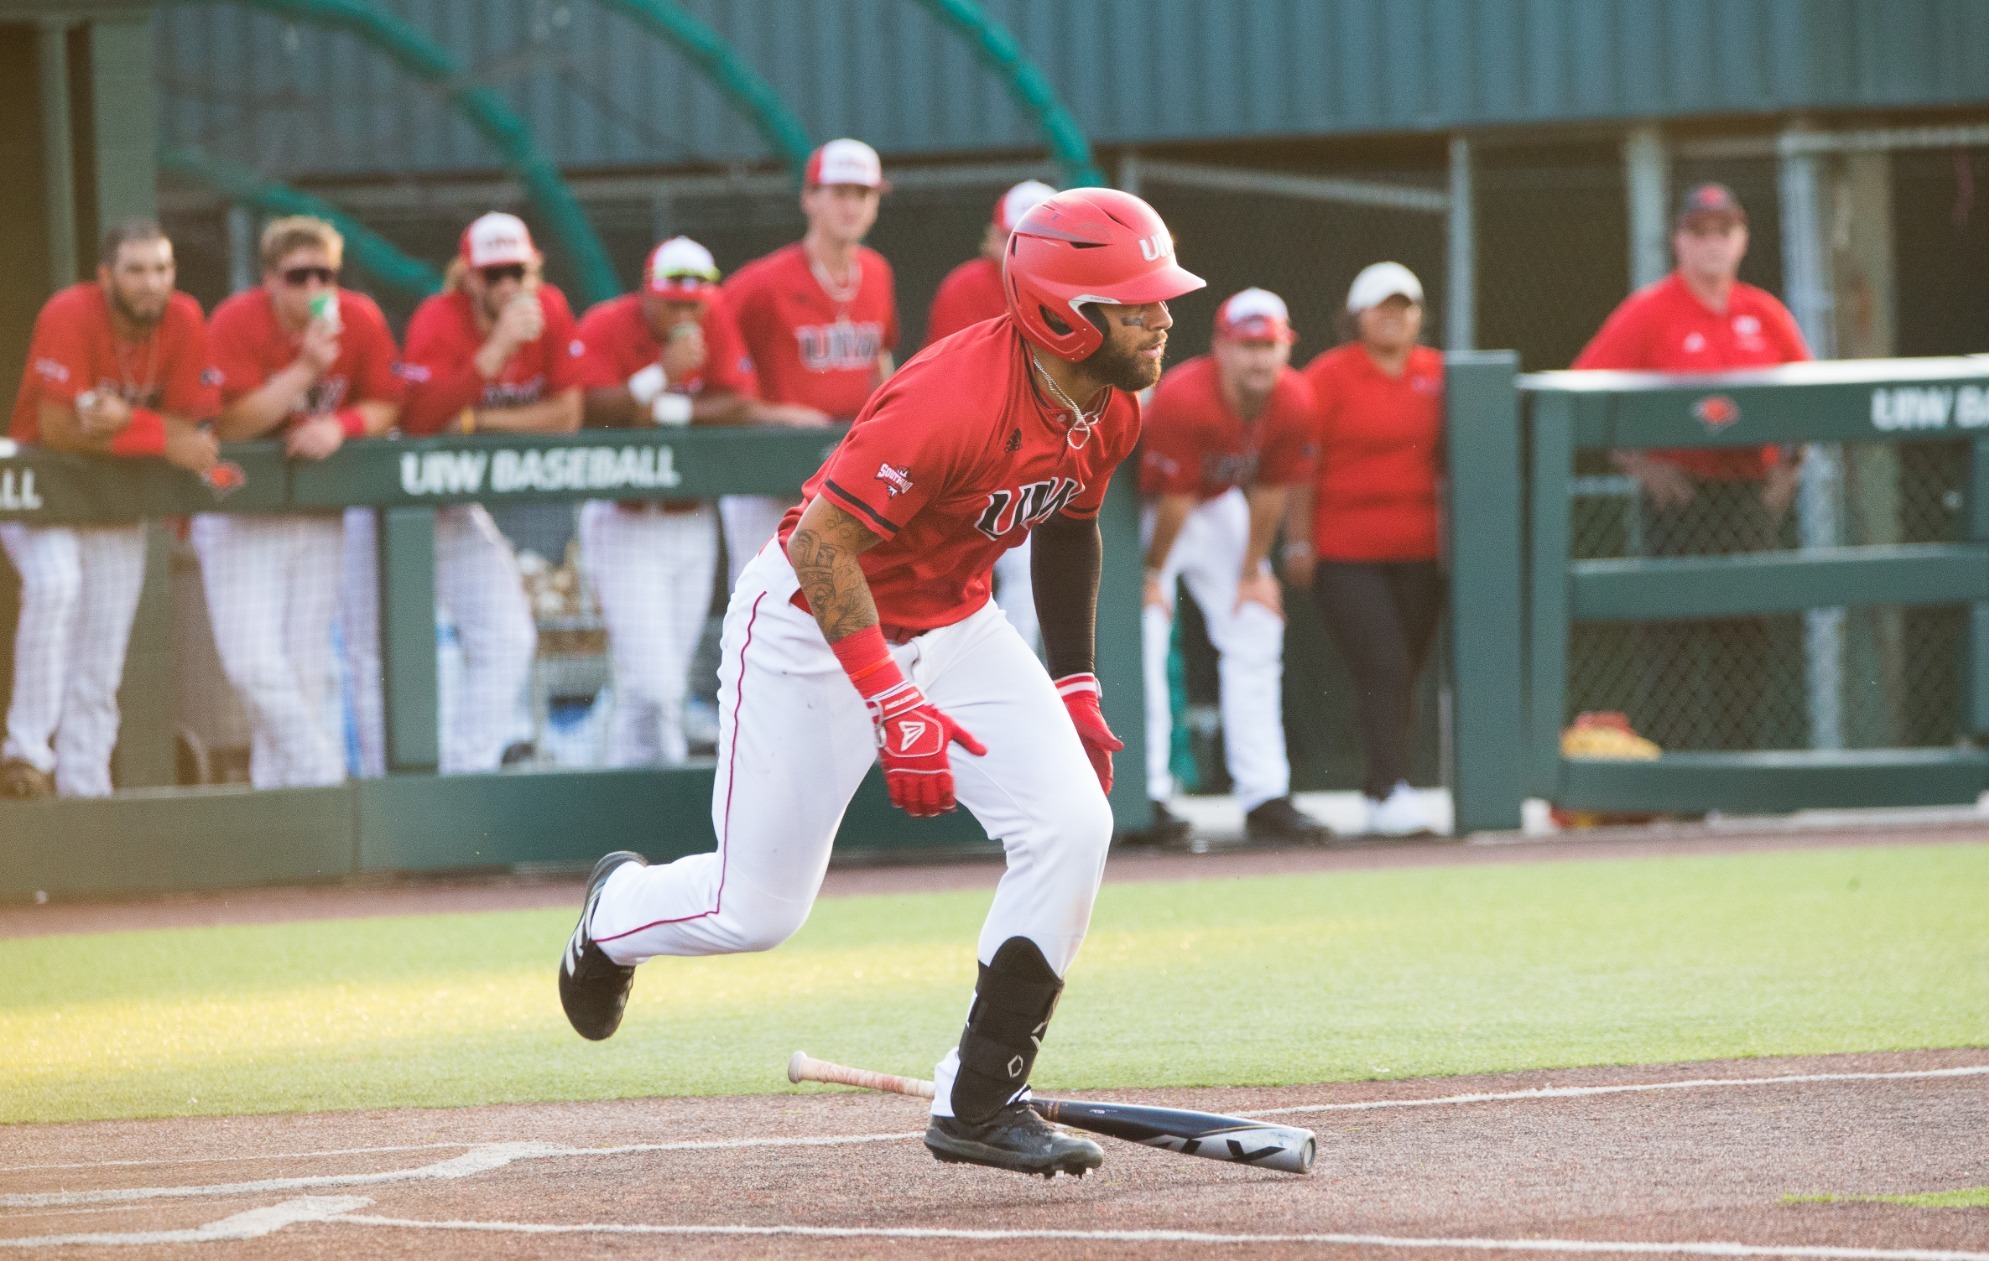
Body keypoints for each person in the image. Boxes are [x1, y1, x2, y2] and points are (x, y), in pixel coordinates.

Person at [560, 189, 1205, 1178]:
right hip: (812, 627)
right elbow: (822, 548)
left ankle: (980, 1098)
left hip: (953, 619)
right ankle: (613, 915)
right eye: (1137, 299)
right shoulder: (951, 398)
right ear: (1066, 313)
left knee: (1074, 824)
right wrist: (891, 701)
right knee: (757, 909)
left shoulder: (1112, 400)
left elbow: (1071, 525)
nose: (1163, 314)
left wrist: (1074, 682)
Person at [1571, 183, 1811, 750]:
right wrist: (1640, 464)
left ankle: (1741, 774)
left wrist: (1789, 468)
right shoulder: (1650, 311)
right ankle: (1676, 781)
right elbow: (1584, 391)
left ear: (1742, 239)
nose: (1712, 244)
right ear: (1678, 240)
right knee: (1672, 637)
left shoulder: (1764, 312)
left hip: (1747, 495)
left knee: (1746, 636)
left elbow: (1812, 397)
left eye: (1724, 231)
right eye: (1699, 232)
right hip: (1679, 498)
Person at [0, 221, 220, 798]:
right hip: (41, 489)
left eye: (161, 269)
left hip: (117, 500)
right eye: (136, 270)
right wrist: (155, 435)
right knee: (55, 587)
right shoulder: (70, 312)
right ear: (106, 277)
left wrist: (128, 422)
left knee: (102, 655)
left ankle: (86, 786)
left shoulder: (185, 318)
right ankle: (25, 753)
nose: (152, 283)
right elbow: (57, 430)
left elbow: (194, 433)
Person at [195, 216, 401, 788]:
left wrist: (342, 425)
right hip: (242, 516)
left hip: (317, 513)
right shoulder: (237, 319)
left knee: (308, 672)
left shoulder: (358, 317)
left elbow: (389, 402)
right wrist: (305, 369)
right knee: (253, 666)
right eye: (298, 276)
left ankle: (290, 810)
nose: (314, 289)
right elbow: (231, 423)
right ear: (270, 280)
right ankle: (324, 778)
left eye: (325, 275)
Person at [1138, 288, 1325, 845]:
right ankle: (1145, 796)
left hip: (1219, 506)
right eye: (1246, 346)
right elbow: (1174, 501)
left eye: (1268, 345)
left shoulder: (1295, 399)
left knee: (1257, 624)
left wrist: (1251, 572)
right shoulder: (1183, 395)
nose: (1259, 359)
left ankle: (1265, 794)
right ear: (1220, 347)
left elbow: (1270, 488)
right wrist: (1152, 577)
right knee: (1145, 637)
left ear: (1286, 347)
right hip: (1147, 513)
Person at [399, 212, 582, 773]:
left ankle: (466, 775)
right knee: (379, 658)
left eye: (517, 272)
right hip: (395, 507)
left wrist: (479, 422)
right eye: (494, 273)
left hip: (457, 508)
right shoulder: (439, 316)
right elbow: (422, 417)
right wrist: (495, 350)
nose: (508, 285)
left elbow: (566, 415)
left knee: (507, 639)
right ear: (470, 277)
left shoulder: (549, 308)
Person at [573, 236, 759, 766]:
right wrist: (662, 376)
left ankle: (626, 800)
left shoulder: (714, 315)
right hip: (624, 518)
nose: (683, 312)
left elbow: (739, 401)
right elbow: (588, 409)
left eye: (692, 303)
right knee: (656, 685)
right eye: (671, 301)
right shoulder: (609, 323)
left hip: (692, 518)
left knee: (655, 685)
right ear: (646, 294)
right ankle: (670, 789)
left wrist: (668, 411)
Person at [1288, 263, 1446, 837]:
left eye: (1404, 306)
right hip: (1345, 550)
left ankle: (1388, 786)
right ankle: (1389, 787)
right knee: (1385, 663)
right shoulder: (1328, 376)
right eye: (1382, 306)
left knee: (1405, 670)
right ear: (1357, 315)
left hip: (1421, 549)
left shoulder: (1439, 373)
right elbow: (1302, 465)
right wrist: (1300, 539)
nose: (1393, 317)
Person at [720, 138, 897, 585]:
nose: (852, 206)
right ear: (809, 198)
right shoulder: (762, 282)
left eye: (864, 194)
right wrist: (773, 413)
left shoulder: (877, 272)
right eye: (839, 193)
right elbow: (712, 374)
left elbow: (880, 360)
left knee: (838, 609)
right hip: (767, 471)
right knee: (765, 598)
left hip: (842, 472)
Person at [927, 178, 1059, 652]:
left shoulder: (1072, 290)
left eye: (1038, 242)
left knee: (1032, 577)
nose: (1020, 253)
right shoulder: (965, 287)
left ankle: (1014, 689)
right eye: (1011, 240)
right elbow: (952, 387)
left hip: (1038, 464)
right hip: (971, 462)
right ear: (991, 239)